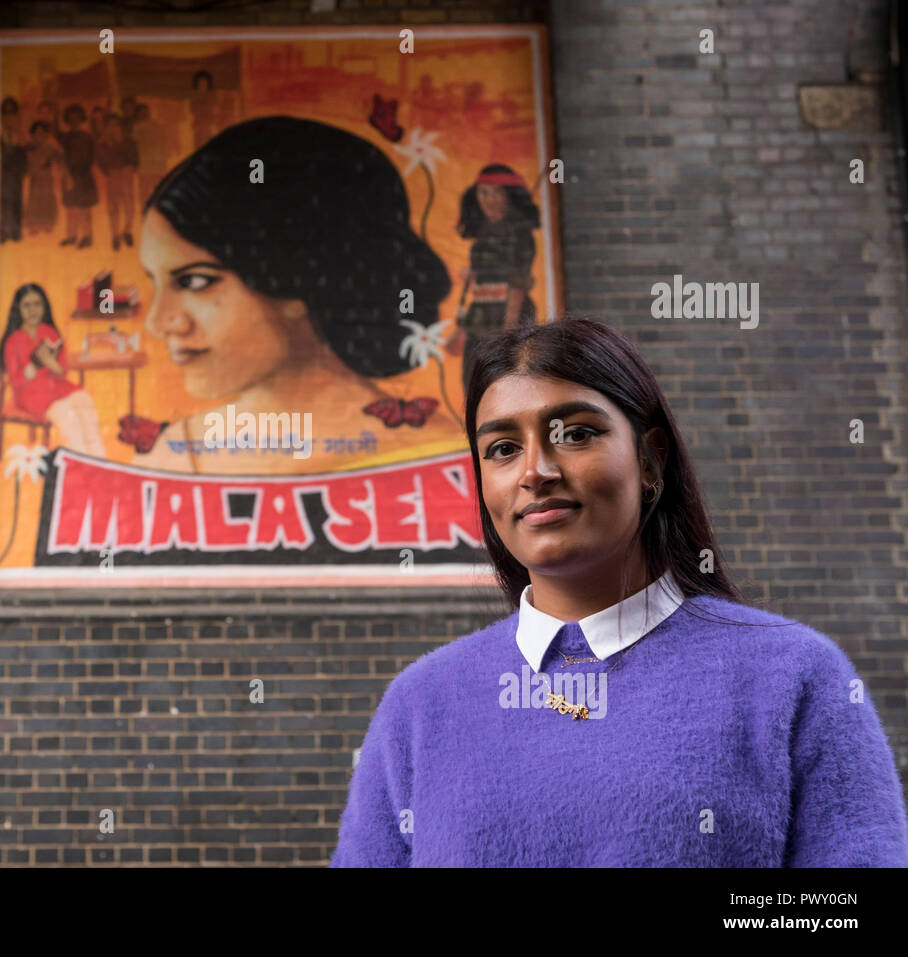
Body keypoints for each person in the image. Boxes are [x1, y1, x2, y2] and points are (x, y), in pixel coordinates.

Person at [330, 317, 908, 867]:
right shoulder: (420, 704)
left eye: (576, 434)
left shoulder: (794, 677)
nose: (536, 470)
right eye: (502, 448)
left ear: (651, 459)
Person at [131, 115, 466, 475]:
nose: (158, 322)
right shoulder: (172, 458)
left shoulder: (440, 456)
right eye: (156, 281)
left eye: (195, 281)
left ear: (295, 280)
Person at [451, 163, 540, 393]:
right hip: (480, 317)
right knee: (472, 383)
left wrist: (509, 331)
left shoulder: (519, 233)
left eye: (496, 192)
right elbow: (482, 288)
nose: (488, 199)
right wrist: (463, 330)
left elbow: (518, 283)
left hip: (508, 314)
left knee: (506, 381)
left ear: (509, 196)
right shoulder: (483, 232)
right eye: (483, 192)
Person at [0, 283, 105, 457]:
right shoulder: (13, 341)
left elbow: (62, 371)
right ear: (18, 309)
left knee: (84, 400)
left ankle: (101, 462)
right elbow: (15, 382)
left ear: (44, 306)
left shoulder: (50, 333)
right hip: (30, 395)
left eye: (37, 304)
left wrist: (49, 362)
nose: (33, 310)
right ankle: (80, 468)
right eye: (27, 305)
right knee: (70, 422)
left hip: (56, 387)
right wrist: (26, 373)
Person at [95, 112, 138, 251]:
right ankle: (115, 235)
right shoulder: (102, 143)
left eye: (116, 125)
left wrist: (130, 169)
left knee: (128, 204)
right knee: (113, 206)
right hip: (112, 175)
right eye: (110, 125)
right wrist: (107, 171)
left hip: (126, 174)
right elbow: (100, 161)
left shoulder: (129, 141)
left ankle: (127, 230)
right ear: (106, 127)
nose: (113, 128)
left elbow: (135, 159)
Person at [57, 104, 97, 248]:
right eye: (71, 118)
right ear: (67, 120)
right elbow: (61, 157)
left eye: (77, 118)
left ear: (82, 119)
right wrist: (67, 174)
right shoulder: (64, 137)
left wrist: (85, 169)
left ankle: (87, 236)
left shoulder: (87, 137)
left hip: (84, 175)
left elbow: (92, 155)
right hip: (69, 174)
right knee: (71, 207)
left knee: (85, 207)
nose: (74, 121)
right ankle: (72, 236)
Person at [22, 120, 64, 237]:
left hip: (46, 179)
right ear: (32, 134)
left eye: (42, 133)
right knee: (34, 201)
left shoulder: (50, 147)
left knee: (47, 200)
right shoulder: (28, 148)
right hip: (34, 179)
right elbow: (22, 161)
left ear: (46, 135)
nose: (39, 136)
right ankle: (33, 226)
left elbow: (60, 157)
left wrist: (51, 161)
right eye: (36, 133)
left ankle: (47, 224)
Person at [0, 98, 28, 244]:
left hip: (15, 175)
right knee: (2, 203)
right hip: (1, 174)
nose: (8, 117)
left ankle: (15, 232)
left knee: (16, 203)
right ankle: (2, 232)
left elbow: (23, 153)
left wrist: (22, 170)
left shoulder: (19, 135)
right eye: (6, 113)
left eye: (11, 113)